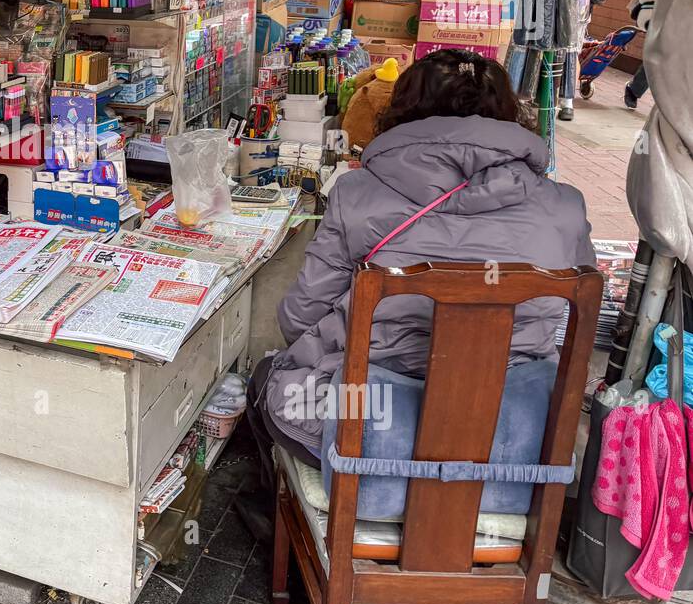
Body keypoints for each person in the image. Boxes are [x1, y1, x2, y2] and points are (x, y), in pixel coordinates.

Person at [246, 48, 596, 473]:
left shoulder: (357, 194)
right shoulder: (565, 208)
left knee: (267, 380)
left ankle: (295, 518)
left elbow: (301, 317)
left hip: (371, 420)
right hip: (513, 437)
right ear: (509, 113)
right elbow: (572, 322)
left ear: (404, 109)